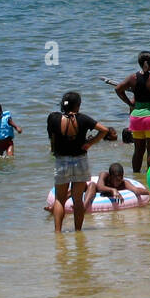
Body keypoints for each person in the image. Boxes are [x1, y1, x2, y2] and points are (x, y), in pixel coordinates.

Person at [47, 92, 116, 233]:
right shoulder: (83, 119)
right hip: (80, 161)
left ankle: (58, 232)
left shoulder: (53, 118)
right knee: (77, 199)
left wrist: (54, 150)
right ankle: (78, 231)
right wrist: (90, 143)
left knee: (60, 199)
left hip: (61, 161)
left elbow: (52, 139)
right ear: (77, 105)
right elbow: (104, 130)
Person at [84, 162, 150, 210]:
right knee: (92, 184)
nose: (119, 182)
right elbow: (99, 187)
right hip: (94, 192)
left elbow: (136, 190)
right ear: (110, 177)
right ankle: (84, 206)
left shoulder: (124, 182)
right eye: (116, 180)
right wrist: (113, 190)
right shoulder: (104, 175)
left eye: (120, 179)